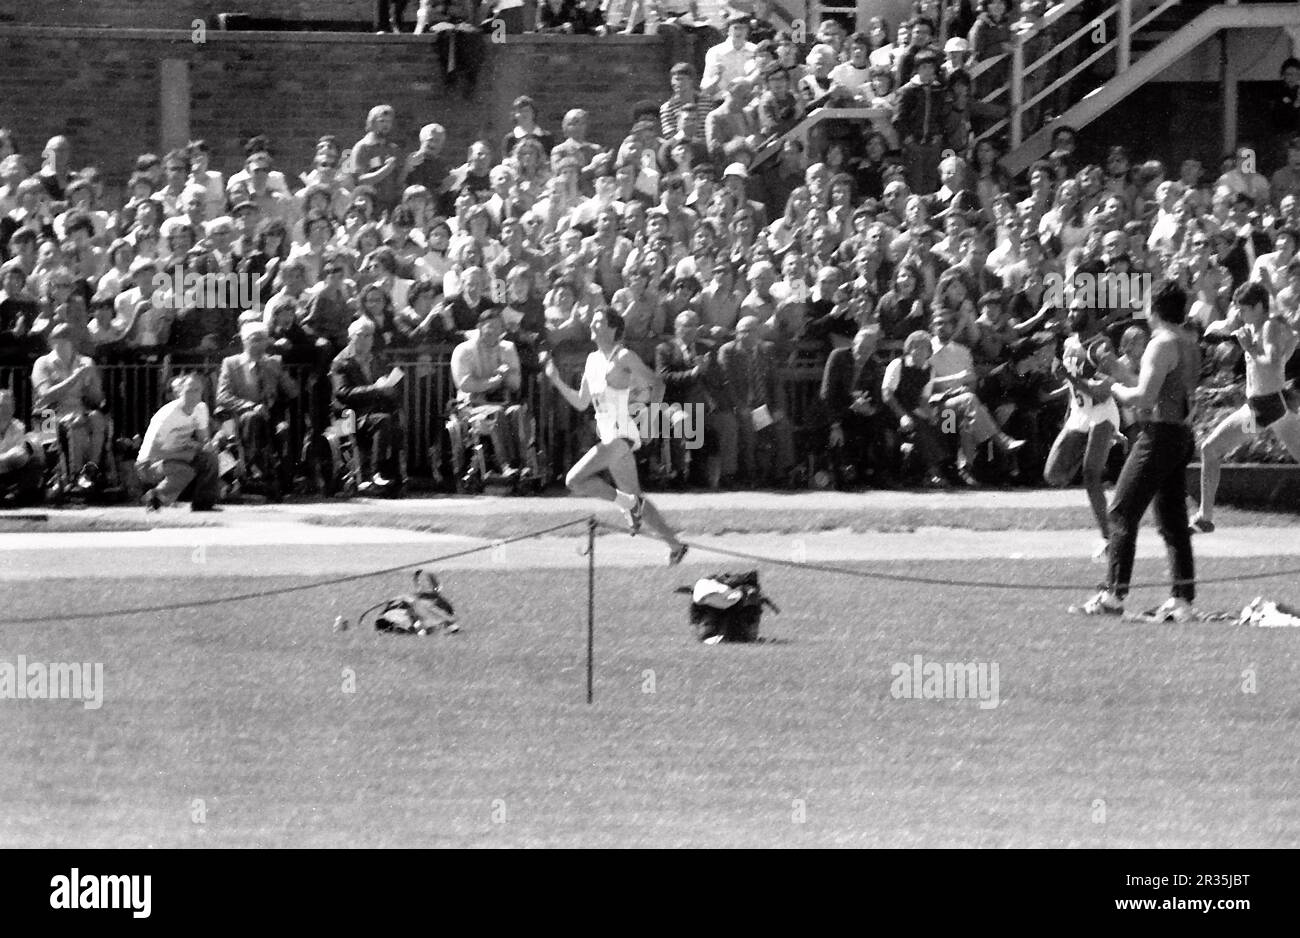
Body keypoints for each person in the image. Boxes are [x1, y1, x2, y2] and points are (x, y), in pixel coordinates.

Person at [1072, 281, 1201, 621]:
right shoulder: (1188, 342)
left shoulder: (1160, 344)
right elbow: (1156, 389)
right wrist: (1116, 369)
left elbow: (1143, 398)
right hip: (1181, 435)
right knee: (1172, 521)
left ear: (1154, 306)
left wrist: (1111, 387)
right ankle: (1182, 599)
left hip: (1158, 435)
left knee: (1121, 512)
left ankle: (1113, 595)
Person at [542, 308, 689, 565]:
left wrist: (651, 422)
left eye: (599, 321)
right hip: (609, 434)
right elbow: (580, 402)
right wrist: (556, 380)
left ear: (612, 329)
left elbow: (659, 385)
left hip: (623, 433)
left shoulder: (624, 356)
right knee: (635, 497)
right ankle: (675, 545)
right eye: (593, 320)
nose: (593, 324)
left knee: (574, 480)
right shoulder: (592, 360)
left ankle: (627, 505)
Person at [1191, 281, 1300, 533]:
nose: (1240, 314)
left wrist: (1250, 348)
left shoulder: (1269, 326)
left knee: (1211, 448)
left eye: (1244, 309)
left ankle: (1205, 517)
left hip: (1264, 408)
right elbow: (1291, 341)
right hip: (1275, 406)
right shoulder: (1259, 325)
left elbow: (1271, 363)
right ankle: (1204, 516)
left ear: (1259, 306)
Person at [1042, 303, 1126, 558]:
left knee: (1091, 476)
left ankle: (1108, 537)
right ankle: (1098, 444)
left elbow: (1101, 392)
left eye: (1077, 311)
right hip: (1079, 414)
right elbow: (1071, 385)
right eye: (1070, 311)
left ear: (1090, 315)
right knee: (1053, 474)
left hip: (1101, 412)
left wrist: (1068, 376)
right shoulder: (1068, 343)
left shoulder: (1101, 347)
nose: (1070, 315)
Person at [215, 321, 300, 497]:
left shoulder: (273, 363)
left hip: (270, 416)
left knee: (284, 429)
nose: (260, 344)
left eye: (263, 340)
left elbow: (293, 392)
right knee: (252, 418)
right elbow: (222, 396)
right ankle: (255, 471)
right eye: (255, 340)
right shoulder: (231, 363)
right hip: (239, 418)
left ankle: (284, 481)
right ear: (245, 341)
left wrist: (278, 372)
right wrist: (251, 406)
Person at [449, 308, 531, 477]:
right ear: (480, 327)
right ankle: (505, 464)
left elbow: (515, 385)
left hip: (501, 401)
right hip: (471, 405)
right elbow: (464, 384)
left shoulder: (507, 348)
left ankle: (524, 464)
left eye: (498, 326)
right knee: (497, 413)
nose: (493, 330)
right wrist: (493, 382)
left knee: (517, 412)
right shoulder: (464, 350)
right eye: (489, 326)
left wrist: (506, 374)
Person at [331, 317, 405, 491]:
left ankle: (393, 476)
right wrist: (375, 389)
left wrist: (390, 389)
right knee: (383, 420)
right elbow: (342, 393)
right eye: (361, 335)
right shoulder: (340, 363)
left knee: (393, 421)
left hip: (377, 412)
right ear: (351, 337)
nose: (366, 339)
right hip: (349, 415)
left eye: (369, 336)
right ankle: (375, 473)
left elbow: (392, 387)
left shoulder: (378, 359)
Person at [31, 323, 107, 490]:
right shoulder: (42, 363)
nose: (64, 343)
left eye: (68, 339)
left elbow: (98, 398)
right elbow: (46, 394)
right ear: (51, 342)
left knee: (98, 419)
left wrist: (91, 383)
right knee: (72, 424)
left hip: (79, 409)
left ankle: (90, 472)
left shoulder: (85, 362)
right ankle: (71, 477)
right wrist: (75, 377)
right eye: (59, 339)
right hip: (46, 414)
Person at [137, 373, 221, 512]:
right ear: (180, 391)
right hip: (148, 464)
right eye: (189, 390)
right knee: (185, 471)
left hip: (177, 456)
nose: (193, 395)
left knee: (210, 458)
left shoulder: (201, 409)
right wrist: (186, 454)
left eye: (197, 390)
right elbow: (154, 453)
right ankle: (154, 497)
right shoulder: (167, 415)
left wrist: (210, 445)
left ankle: (204, 504)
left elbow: (204, 440)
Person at [0, 388, 44, 505]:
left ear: (13, 409)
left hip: (8, 470)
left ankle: (14, 495)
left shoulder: (18, 427)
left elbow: (20, 455)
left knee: (35, 462)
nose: (4, 410)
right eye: (1, 406)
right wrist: (8, 457)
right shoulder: (43, 413)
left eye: (8, 406)